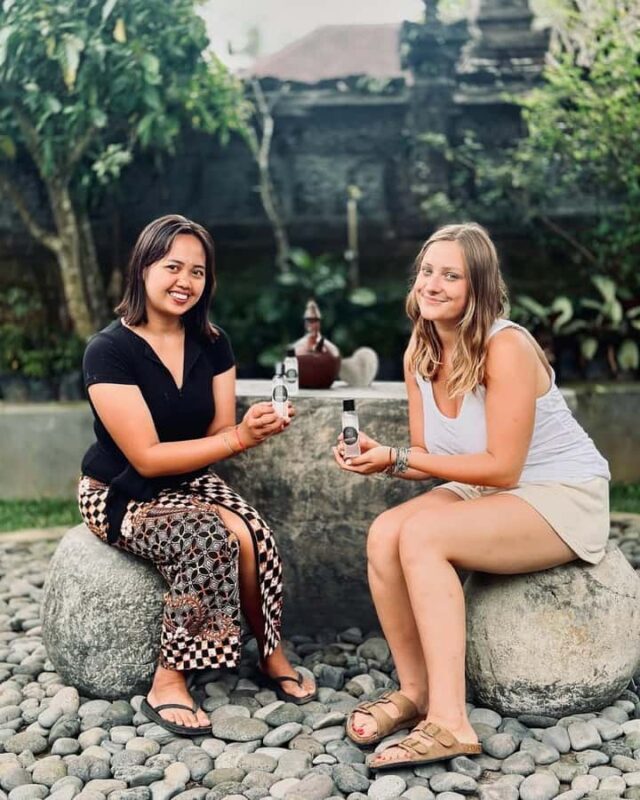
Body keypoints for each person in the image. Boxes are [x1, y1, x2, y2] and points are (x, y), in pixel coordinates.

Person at [333, 222, 610, 769]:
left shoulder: (506, 346)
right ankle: (416, 694)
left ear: (477, 288)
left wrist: (397, 458)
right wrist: (377, 456)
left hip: (559, 490)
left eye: (451, 276)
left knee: (423, 535)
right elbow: (424, 453)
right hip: (484, 485)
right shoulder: (421, 351)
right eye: (427, 271)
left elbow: (505, 467)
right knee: (386, 532)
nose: (432, 284)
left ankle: (451, 722)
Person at [78, 214, 316, 736]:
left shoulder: (212, 342)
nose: (185, 281)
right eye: (172, 267)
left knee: (253, 533)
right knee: (210, 540)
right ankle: (169, 678)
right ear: (142, 269)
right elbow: (144, 457)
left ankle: (269, 648)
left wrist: (252, 427)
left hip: (187, 479)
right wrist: (239, 439)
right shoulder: (109, 351)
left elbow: (216, 431)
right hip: (120, 492)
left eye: (198, 272)